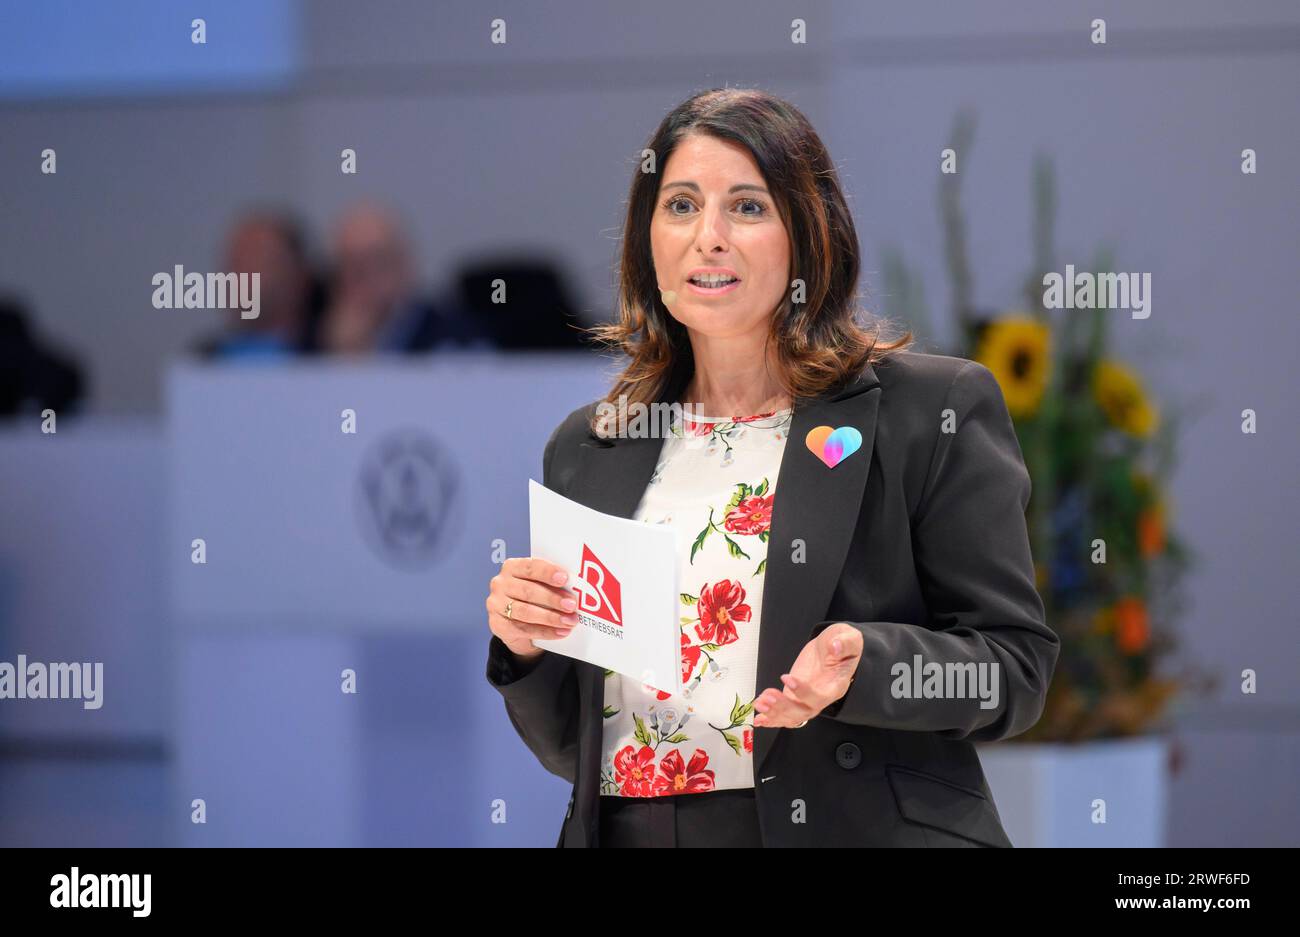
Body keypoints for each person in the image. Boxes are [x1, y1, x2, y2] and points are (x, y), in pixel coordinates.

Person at [484, 88, 1059, 848]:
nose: (708, 237)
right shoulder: (592, 446)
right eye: (681, 205)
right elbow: (579, 749)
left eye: (748, 207)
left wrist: (868, 662)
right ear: (645, 237)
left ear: (807, 233)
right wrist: (526, 645)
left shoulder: (927, 410)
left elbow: (1011, 670)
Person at [193, 210, 317, 362]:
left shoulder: (332, 359)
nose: (240, 274)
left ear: (300, 276)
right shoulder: (201, 361)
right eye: (236, 262)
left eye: (259, 261)